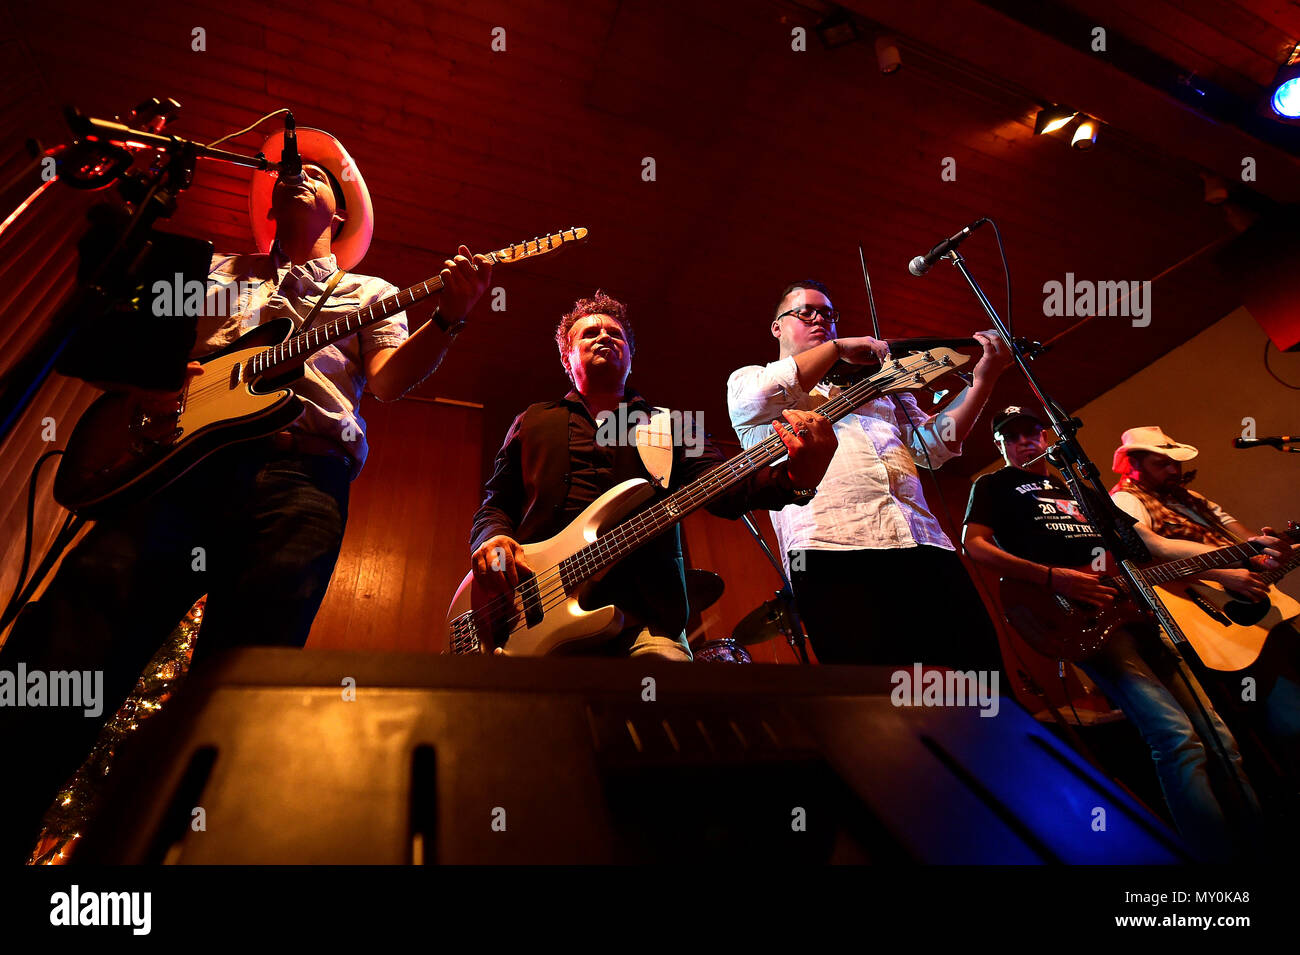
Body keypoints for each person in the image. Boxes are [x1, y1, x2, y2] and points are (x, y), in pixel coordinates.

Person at [0, 126, 492, 860]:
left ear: (341, 214)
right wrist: (156, 393)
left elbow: (387, 381)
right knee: (79, 636)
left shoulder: (372, 292)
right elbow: (130, 350)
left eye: (319, 176)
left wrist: (448, 316)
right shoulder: (217, 269)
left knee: (242, 678)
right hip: (178, 467)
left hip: (301, 479)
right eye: (291, 172)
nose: (300, 177)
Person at [964, 408, 1267, 861]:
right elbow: (975, 545)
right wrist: (1055, 578)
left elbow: (1142, 547)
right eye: (1014, 436)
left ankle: (1262, 847)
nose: (1027, 441)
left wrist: (1230, 563)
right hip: (1076, 614)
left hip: (1138, 608)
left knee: (1218, 737)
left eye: (1033, 431)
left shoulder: (1079, 489)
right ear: (999, 444)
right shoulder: (993, 485)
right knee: (1174, 736)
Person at [469, 290, 837, 660]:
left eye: (616, 335)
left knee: (666, 694)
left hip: (646, 621)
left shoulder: (674, 426)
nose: (603, 337)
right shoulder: (532, 420)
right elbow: (496, 503)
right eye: (589, 333)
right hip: (531, 617)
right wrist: (493, 538)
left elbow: (728, 492)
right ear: (567, 358)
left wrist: (797, 479)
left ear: (630, 357)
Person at [726, 279, 1010, 672]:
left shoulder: (880, 384)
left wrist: (983, 381)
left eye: (827, 314)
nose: (819, 319)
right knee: (872, 693)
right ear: (777, 327)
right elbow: (757, 400)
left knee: (979, 679)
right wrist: (838, 348)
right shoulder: (751, 379)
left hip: (922, 541)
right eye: (804, 311)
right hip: (829, 550)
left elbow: (933, 447)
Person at [1109, 425, 1300, 807]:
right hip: (1216, 619)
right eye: (1161, 462)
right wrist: (1220, 574)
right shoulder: (1126, 501)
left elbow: (1241, 540)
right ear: (1132, 465)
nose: (1173, 470)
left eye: (1174, 462)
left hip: (1263, 613)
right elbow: (1147, 558)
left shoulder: (1193, 498)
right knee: (1288, 723)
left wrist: (1266, 553)